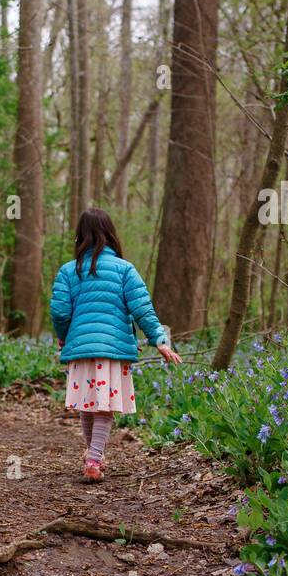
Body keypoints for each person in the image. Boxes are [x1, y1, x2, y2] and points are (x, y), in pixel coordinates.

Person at [49, 207, 181, 483]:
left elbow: (60, 312)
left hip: (81, 349)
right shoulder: (124, 270)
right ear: (110, 234)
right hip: (112, 351)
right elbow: (142, 308)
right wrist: (160, 340)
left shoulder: (68, 271)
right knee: (104, 407)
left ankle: (93, 456)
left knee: (88, 404)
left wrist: (64, 337)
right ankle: (94, 460)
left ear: (80, 236)